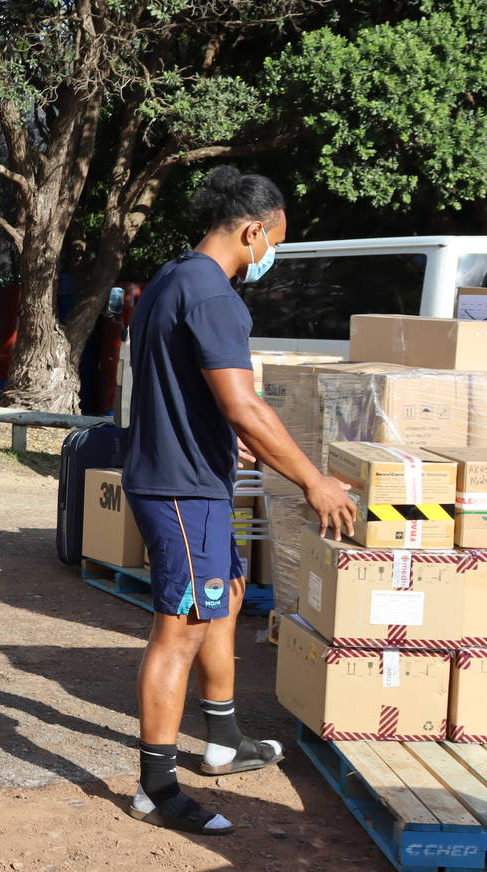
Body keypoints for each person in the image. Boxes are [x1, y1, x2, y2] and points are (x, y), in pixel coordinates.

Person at [122, 164, 357, 836]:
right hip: (181, 487)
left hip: (188, 473)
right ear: (253, 231)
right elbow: (243, 403)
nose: (270, 256)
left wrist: (225, 437)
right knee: (180, 630)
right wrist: (313, 480)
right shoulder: (213, 296)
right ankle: (156, 789)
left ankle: (223, 740)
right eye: (273, 242)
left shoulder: (174, 276)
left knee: (223, 593)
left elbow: (186, 385)